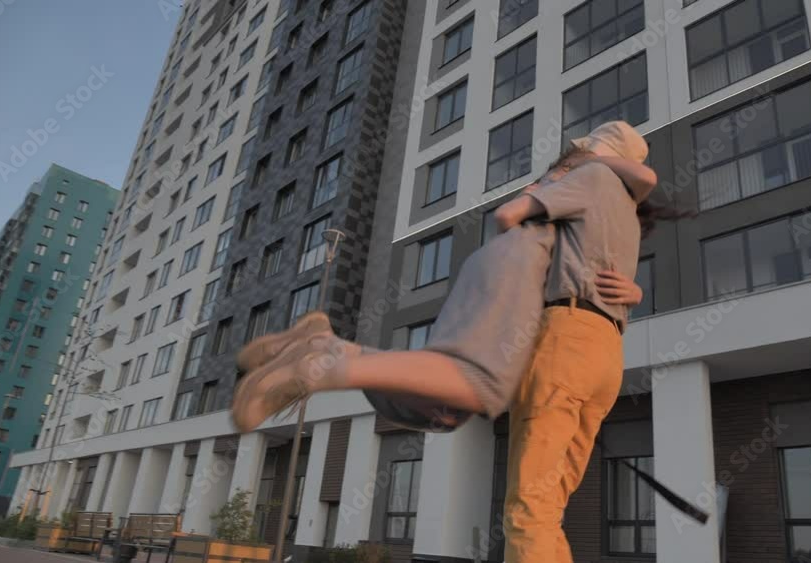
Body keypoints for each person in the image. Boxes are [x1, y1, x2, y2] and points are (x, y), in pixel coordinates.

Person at [228, 122, 656, 436]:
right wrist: (598, 163)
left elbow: (591, 264)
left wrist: (631, 292)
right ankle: (315, 368)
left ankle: (325, 345)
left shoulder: (580, 190)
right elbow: (510, 215)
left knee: (447, 410)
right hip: (521, 265)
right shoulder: (587, 175)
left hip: (510, 267)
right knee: (478, 381)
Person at [496, 121, 652, 563]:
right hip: (607, 350)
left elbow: (506, 217)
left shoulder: (589, 177)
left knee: (528, 507)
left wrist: (539, 189)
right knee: (549, 505)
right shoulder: (628, 210)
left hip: (564, 337)